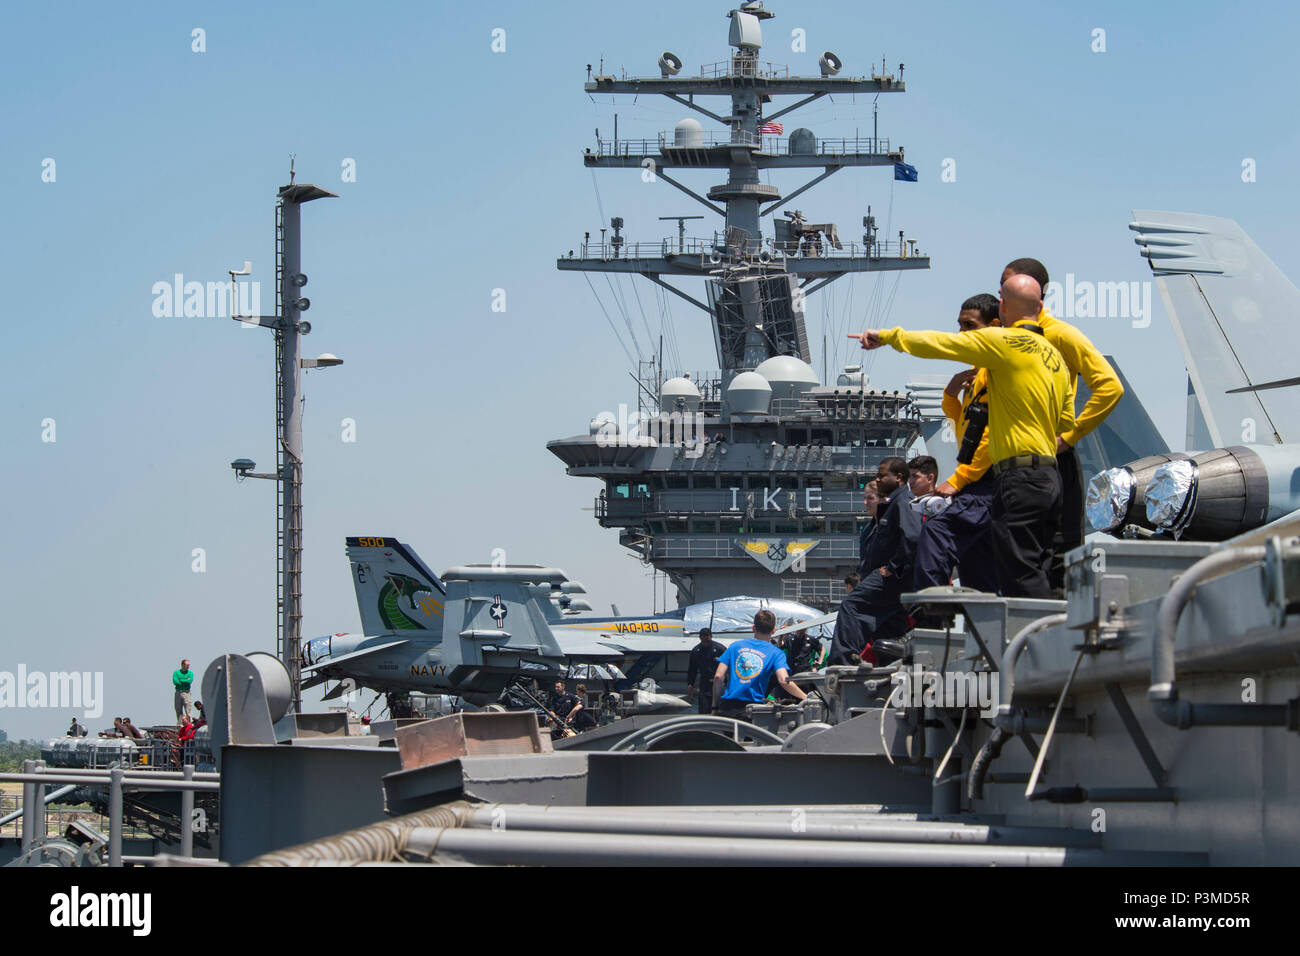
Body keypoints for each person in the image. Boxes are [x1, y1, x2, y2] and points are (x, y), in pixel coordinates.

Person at [849, 274, 1074, 597]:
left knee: (1018, 574)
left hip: (1018, 476)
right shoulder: (1055, 359)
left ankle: (937, 618)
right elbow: (1065, 419)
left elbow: (941, 344)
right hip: (1050, 476)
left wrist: (886, 336)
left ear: (1004, 309)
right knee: (1019, 566)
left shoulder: (1006, 342)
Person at [1001, 258, 1123, 589]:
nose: (1003, 295)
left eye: (1009, 286)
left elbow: (1110, 386)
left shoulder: (1062, 334)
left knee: (1057, 555)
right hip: (1017, 460)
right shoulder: (1004, 338)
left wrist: (1069, 437)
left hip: (1053, 456)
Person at [913, 294, 1001, 593]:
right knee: (978, 569)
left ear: (995, 326)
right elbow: (963, 423)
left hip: (985, 480)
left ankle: (931, 612)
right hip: (977, 481)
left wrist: (958, 479)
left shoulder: (998, 371)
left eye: (969, 326)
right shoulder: (978, 374)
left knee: (937, 532)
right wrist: (951, 395)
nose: (962, 335)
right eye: (960, 326)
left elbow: (992, 434)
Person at [828, 456, 921, 665]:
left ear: (898, 477)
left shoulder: (903, 502)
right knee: (886, 631)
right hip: (889, 583)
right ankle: (887, 671)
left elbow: (914, 537)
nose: (877, 480)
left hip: (891, 580)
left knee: (851, 606)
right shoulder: (893, 505)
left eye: (882, 476)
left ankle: (842, 664)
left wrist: (893, 567)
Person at [712, 610, 808, 720]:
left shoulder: (734, 646)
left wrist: (715, 706)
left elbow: (718, 677)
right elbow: (783, 680)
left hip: (727, 708)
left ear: (753, 628)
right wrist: (805, 697)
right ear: (774, 630)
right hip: (753, 710)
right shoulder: (776, 653)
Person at [686, 628, 726, 714]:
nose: (705, 644)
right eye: (703, 641)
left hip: (718, 683)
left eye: (707, 641)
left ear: (711, 637)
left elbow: (728, 668)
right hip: (704, 683)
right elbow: (692, 669)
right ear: (700, 639)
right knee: (704, 709)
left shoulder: (720, 649)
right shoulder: (696, 651)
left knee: (719, 709)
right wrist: (690, 684)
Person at [856, 480, 881, 574]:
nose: (865, 502)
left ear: (882, 499)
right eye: (865, 498)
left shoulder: (891, 527)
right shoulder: (867, 530)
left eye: (870, 498)